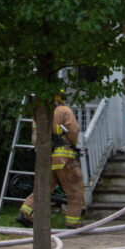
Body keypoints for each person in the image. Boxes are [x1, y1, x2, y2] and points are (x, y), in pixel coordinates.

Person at [17, 90, 84, 229]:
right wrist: (73, 143)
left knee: (43, 188)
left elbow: (35, 138)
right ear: (60, 98)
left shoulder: (39, 114)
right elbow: (74, 132)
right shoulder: (64, 111)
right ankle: (72, 223)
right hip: (64, 159)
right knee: (75, 190)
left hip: (46, 158)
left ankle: (25, 213)